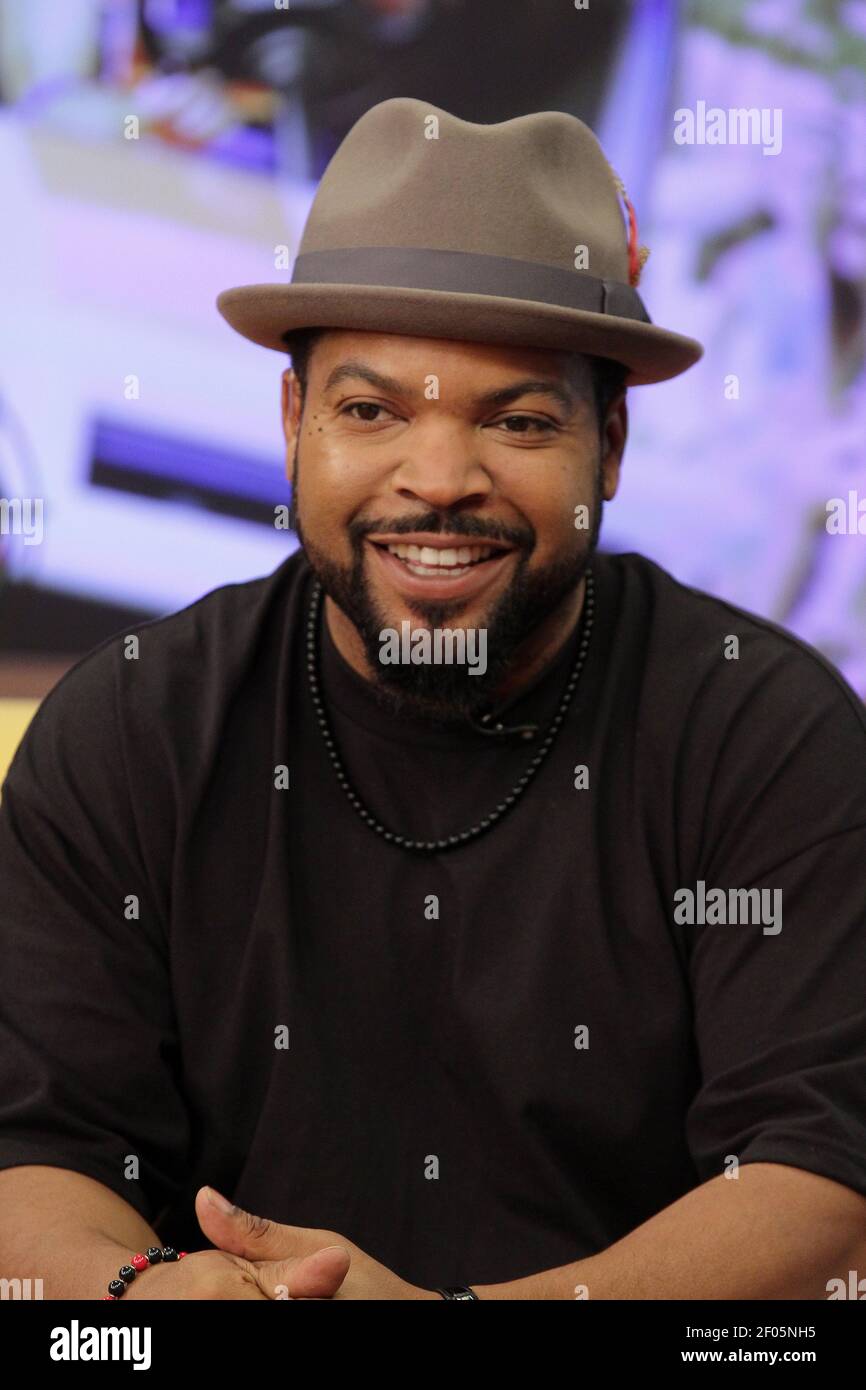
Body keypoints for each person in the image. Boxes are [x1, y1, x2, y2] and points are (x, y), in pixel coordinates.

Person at [1, 97, 865, 1302]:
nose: (439, 480)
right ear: (294, 422)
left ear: (607, 447)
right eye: (371, 411)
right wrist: (140, 1297)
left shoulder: (761, 733)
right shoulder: (128, 732)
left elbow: (822, 1184)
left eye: (515, 420)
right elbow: (32, 1152)